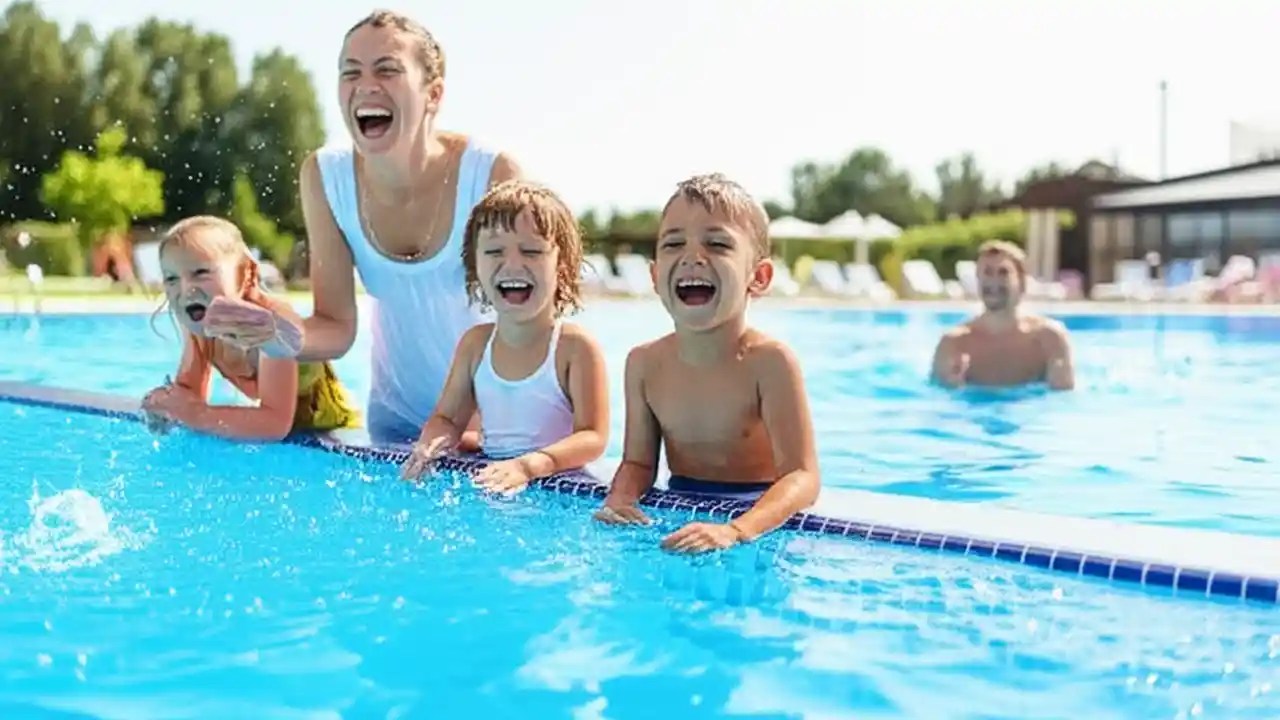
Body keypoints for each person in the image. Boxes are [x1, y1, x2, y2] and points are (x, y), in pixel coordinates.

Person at [197, 10, 522, 443]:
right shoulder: (326, 178)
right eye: (350, 73)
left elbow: (534, 324)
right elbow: (335, 325)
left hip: (498, 428)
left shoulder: (490, 175)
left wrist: (480, 428)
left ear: (433, 94)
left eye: (387, 70)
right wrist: (279, 334)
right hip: (396, 423)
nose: (365, 86)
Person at [593, 173, 821, 554]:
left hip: (755, 520)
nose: (692, 256)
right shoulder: (644, 364)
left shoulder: (769, 363)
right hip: (681, 513)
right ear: (654, 275)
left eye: (717, 244)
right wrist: (620, 499)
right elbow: (637, 462)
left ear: (759, 277)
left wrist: (737, 530)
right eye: (673, 244)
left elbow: (803, 476)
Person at [399, 180, 609, 495]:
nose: (512, 264)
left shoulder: (573, 348)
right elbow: (447, 418)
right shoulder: (476, 345)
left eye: (531, 251)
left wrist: (529, 465)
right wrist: (430, 446)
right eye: (495, 251)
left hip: (559, 489)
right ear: (475, 267)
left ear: (562, 267)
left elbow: (593, 437)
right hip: (495, 478)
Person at [141, 216, 360, 441]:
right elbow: (190, 394)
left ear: (245, 274)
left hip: (333, 427)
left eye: (201, 273)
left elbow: (275, 424)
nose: (186, 289)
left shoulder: (271, 326)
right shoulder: (200, 323)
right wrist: (166, 405)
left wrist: (197, 414)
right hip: (292, 436)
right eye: (171, 279)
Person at [931, 240, 1075, 390]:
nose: (994, 281)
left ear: (1022, 283)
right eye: (987, 272)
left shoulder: (1049, 339)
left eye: (1003, 272)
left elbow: (1063, 398)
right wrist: (952, 386)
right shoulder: (954, 344)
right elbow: (936, 398)